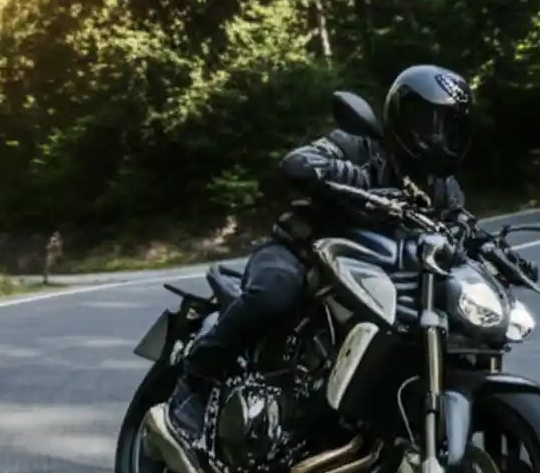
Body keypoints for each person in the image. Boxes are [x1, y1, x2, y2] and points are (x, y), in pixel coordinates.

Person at [163, 64, 476, 446]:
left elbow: (465, 225)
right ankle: (194, 380)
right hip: (302, 253)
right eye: (430, 122)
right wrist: (359, 183)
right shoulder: (357, 147)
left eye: (450, 126)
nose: (440, 136)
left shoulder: (444, 188)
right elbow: (298, 161)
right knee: (273, 294)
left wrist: (492, 246)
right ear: (403, 116)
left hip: (377, 278)